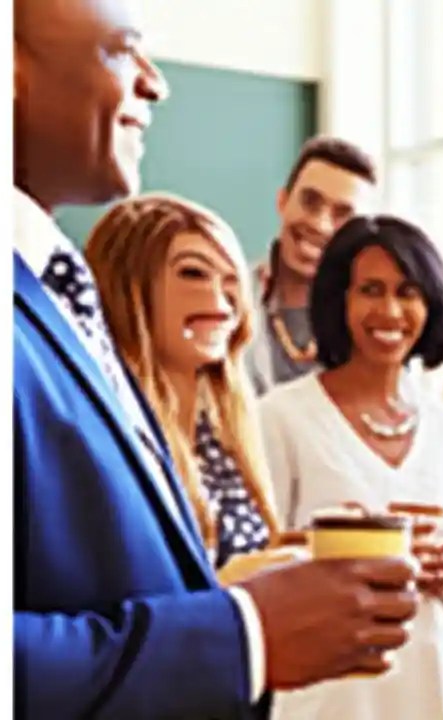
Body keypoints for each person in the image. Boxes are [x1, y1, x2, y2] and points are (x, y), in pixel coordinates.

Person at [13, 1, 417, 717]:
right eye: (120, 49)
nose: (156, 84)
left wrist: (272, 589)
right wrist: (245, 633)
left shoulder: (53, 291)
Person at [259, 215, 443, 720]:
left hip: (432, 684)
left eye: (408, 292)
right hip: (332, 691)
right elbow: (257, 566)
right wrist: (350, 551)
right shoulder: (282, 415)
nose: (391, 311)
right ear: (340, 299)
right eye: (370, 290)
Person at [84, 192, 302, 582]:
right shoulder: (104, 436)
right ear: (127, 287)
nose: (221, 301)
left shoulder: (224, 437)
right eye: (193, 273)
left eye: (232, 279)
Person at [245, 136, 379, 394]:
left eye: (342, 215)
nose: (320, 224)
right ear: (282, 201)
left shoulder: (372, 323)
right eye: (310, 202)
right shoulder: (225, 298)